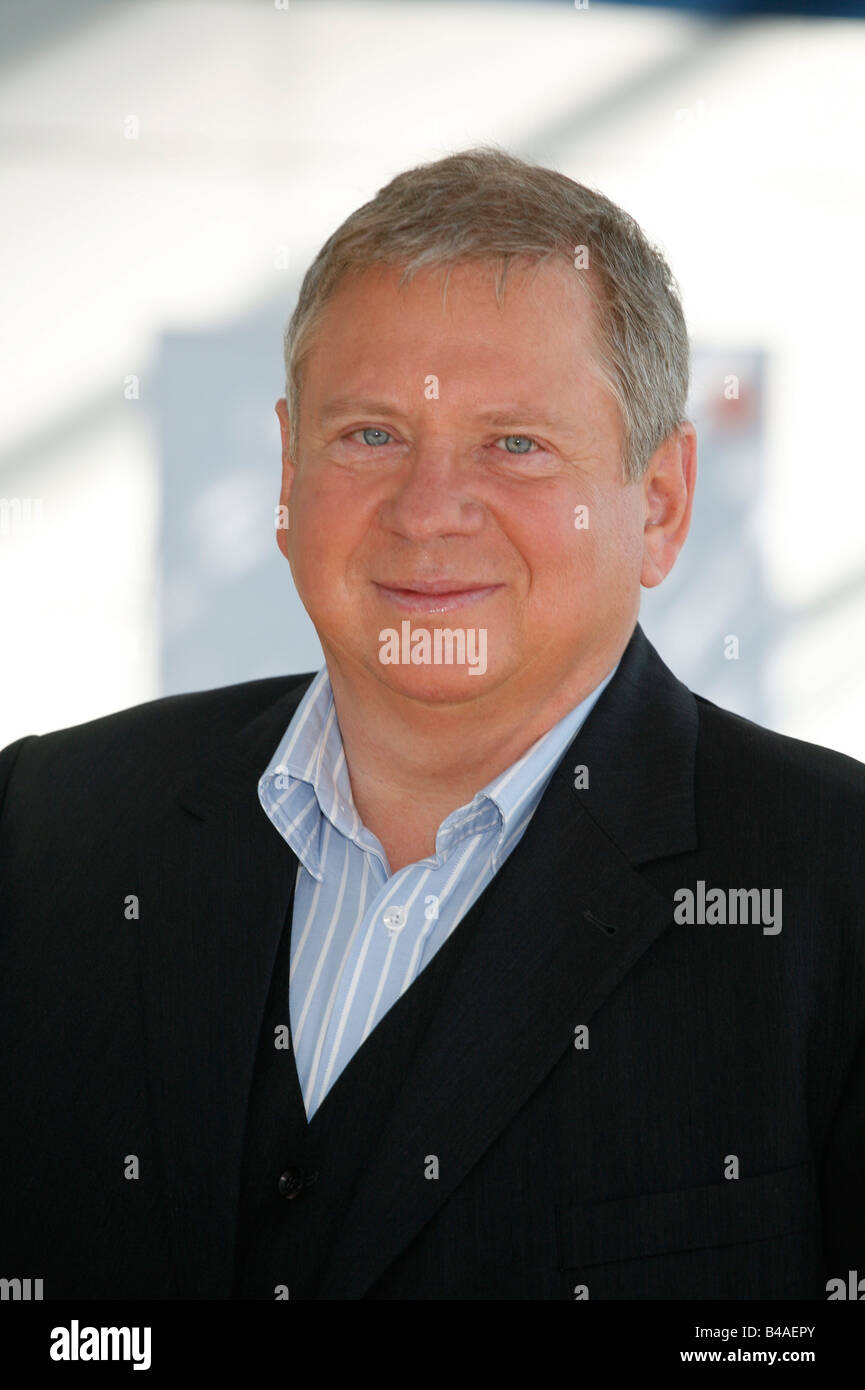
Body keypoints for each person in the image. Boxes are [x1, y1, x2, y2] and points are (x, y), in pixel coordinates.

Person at [1, 147, 862, 1302]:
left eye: (515, 445)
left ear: (657, 505)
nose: (428, 509)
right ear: (288, 474)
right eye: (369, 434)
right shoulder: (46, 831)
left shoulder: (837, 887)